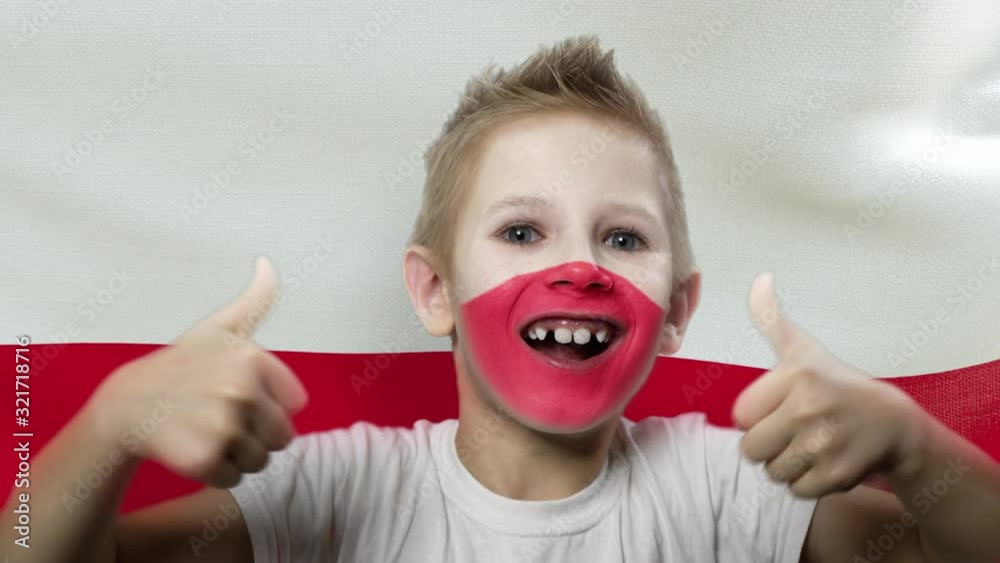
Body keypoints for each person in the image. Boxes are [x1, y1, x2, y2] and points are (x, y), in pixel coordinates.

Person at [5, 35, 998, 563]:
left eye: (622, 237)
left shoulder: (730, 493)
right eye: (521, 231)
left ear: (678, 307)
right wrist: (112, 424)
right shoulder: (334, 491)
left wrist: (916, 449)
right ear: (434, 291)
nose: (577, 268)